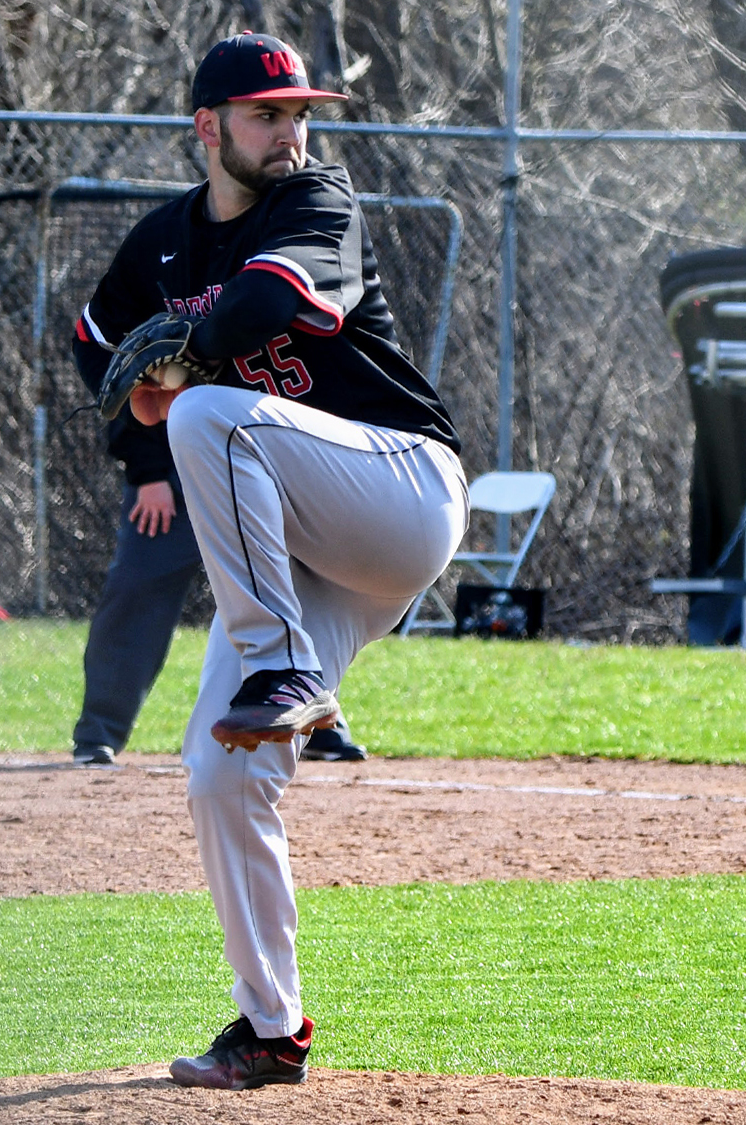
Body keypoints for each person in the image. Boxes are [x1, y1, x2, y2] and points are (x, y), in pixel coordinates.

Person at [71, 32, 467, 1090]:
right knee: (218, 772)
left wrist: (176, 366)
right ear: (208, 128)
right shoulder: (167, 242)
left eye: (298, 113)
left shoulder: (318, 200)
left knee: (207, 412)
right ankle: (270, 1026)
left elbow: (255, 308)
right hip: (311, 549)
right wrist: (142, 397)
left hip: (402, 490)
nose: (290, 132)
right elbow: (95, 343)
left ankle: (283, 666)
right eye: (266, 114)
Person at [70, 412, 370, 766]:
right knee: (137, 595)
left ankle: (313, 725)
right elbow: (134, 390)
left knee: (295, 593)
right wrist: (148, 473)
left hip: (266, 469)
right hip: (176, 472)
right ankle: (98, 733)